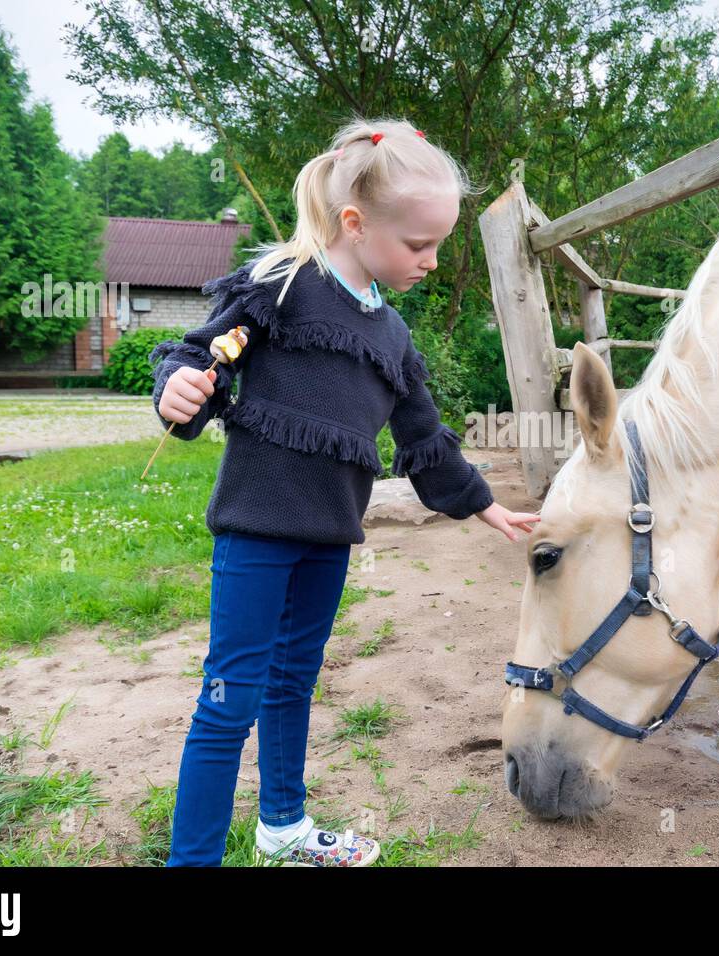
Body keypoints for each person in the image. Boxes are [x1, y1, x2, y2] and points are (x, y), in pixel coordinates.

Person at [151, 117, 540, 867]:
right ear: (355, 224)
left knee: (295, 680)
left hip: (330, 538)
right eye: (418, 245)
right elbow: (201, 354)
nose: (429, 261)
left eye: (438, 246)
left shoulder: (392, 336)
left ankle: (283, 830)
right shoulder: (280, 285)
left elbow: (426, 441)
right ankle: (191, 860)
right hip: (256, 532)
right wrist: (179, 386)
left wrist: (482, 502)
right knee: (229, 701)